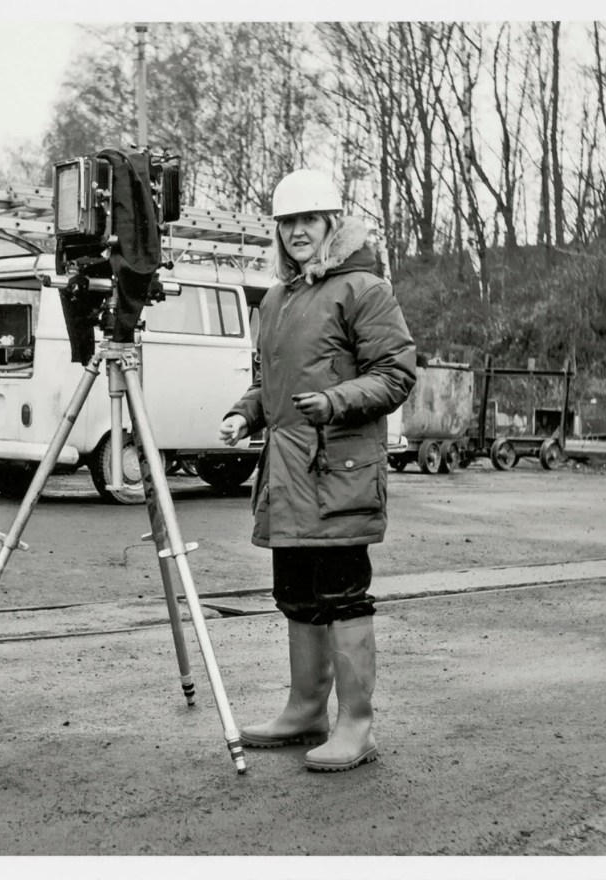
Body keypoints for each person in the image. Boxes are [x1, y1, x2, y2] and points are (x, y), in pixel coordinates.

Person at [218, 169, 416, 772]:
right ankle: (305, 710)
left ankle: (357, 724)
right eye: (287, 223)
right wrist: (244, 411)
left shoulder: (365, 289)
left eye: (308, 220)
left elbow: (396, 374)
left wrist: (335, 402)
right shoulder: (276, 299)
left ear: (332, 223)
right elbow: (269, 383)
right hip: (286, 474)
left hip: (339, 473)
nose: (297, 232)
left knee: (343, 597)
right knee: (297, 596)